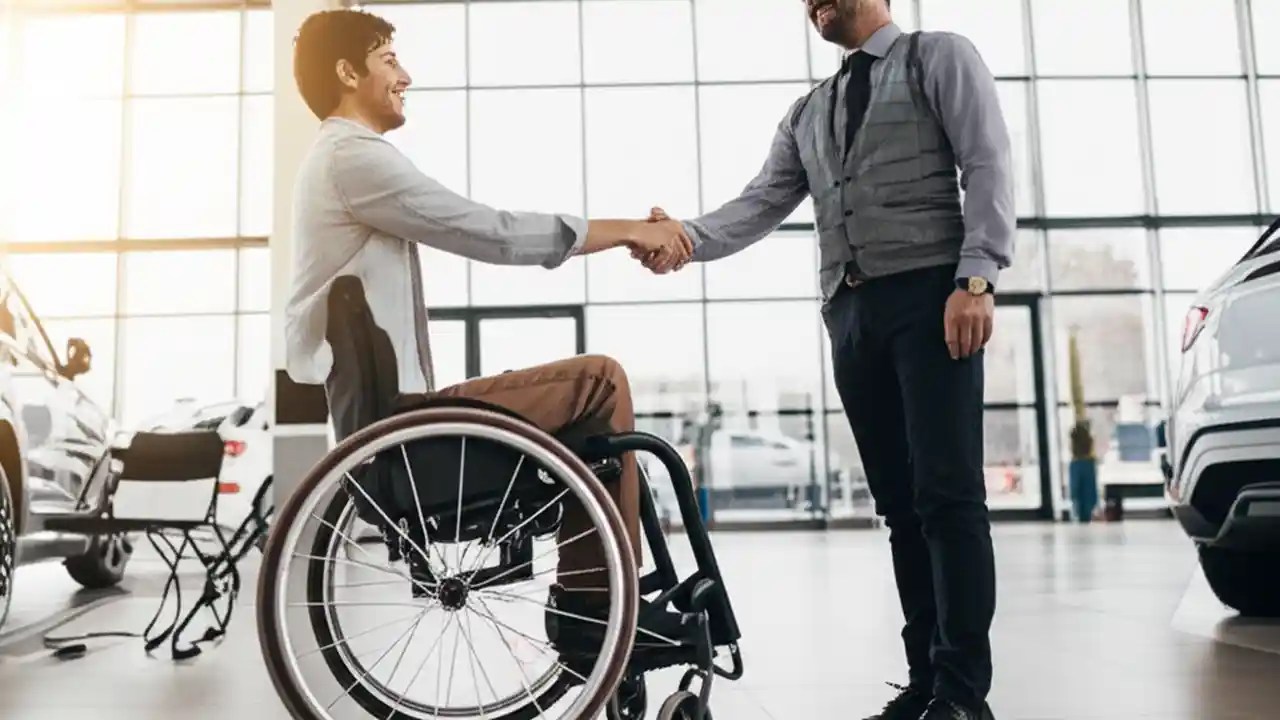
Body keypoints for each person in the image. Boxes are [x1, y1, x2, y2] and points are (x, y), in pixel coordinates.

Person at [643, 1, 1013, 718]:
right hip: (853, 314)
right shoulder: (809, 111)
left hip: (933, 294)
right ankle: (927, 682)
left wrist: (977, 278)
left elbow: (988, 162)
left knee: (949, 496)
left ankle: (965, 694)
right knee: (902, 509)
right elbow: (758, 204)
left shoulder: (938, 57)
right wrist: (683, 236)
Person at [282, 8, 692, 642]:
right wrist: (631, 231)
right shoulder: (352, 160)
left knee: (592, 422)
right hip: (403, 429)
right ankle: (598, 610)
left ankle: (596, 597)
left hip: (389, 424)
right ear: (345, 72)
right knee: (602, 383)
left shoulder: (339, 163)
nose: (406, 75)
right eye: (389, 59)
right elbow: (494, 233)